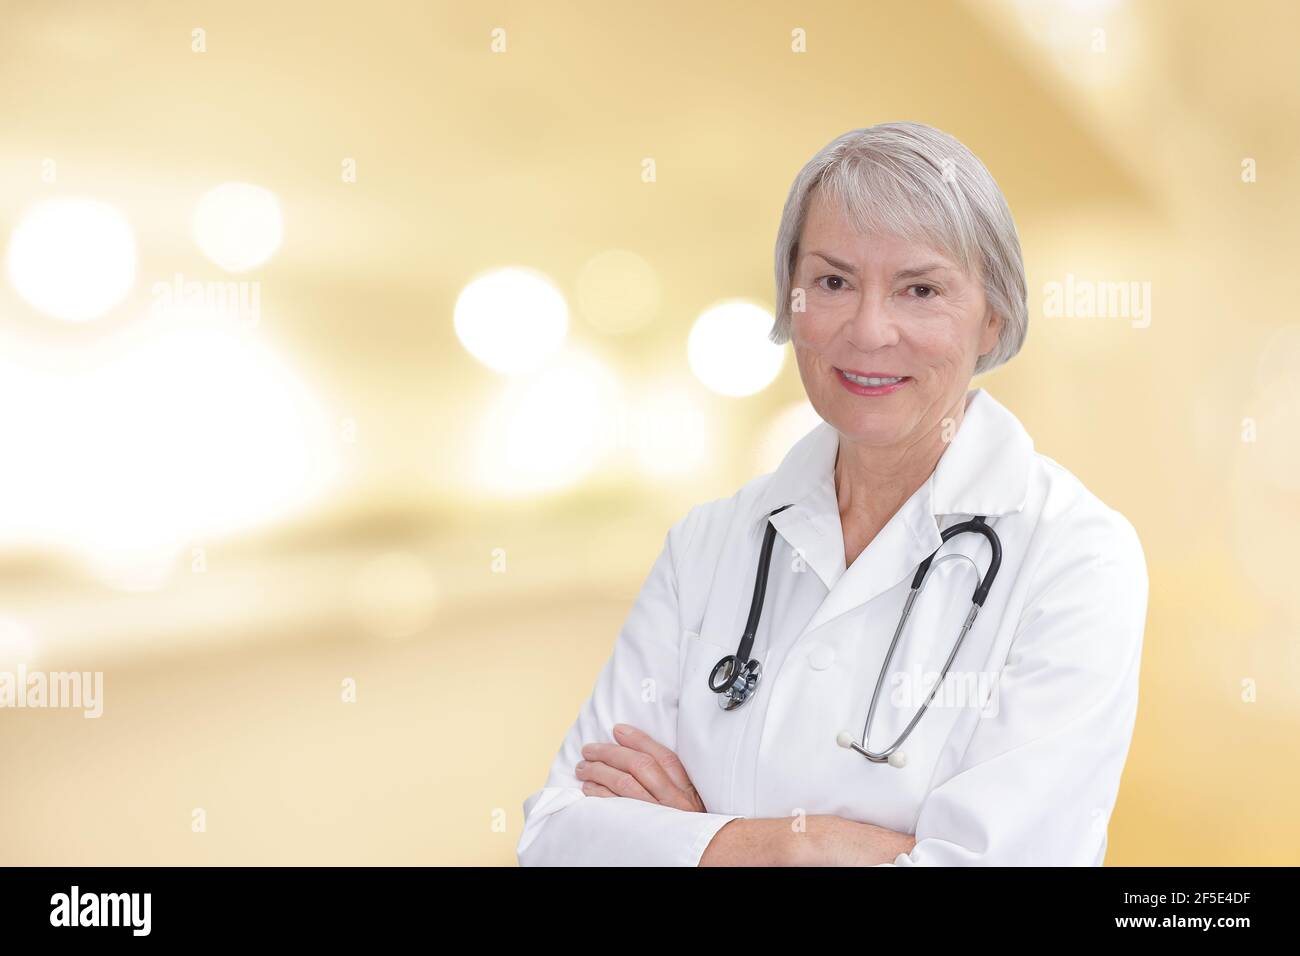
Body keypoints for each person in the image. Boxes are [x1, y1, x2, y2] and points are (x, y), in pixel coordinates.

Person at [516, 121, 1148, 866]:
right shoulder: (709, 543)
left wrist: (693, 842)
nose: (869, 329)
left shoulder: (1075, 557)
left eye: (920, 289)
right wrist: (793, 848)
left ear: (993, 319)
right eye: (834, 282)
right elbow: (556, 836)